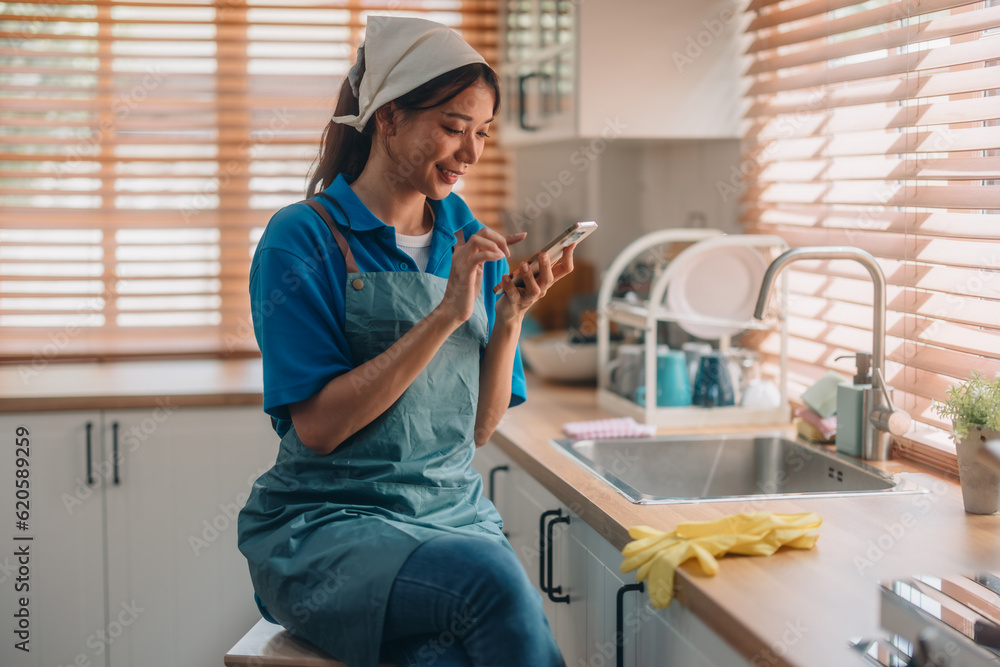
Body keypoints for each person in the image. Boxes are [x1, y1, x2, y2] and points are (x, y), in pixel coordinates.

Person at [237, 15, 575, 667]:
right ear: (388, 117)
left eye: (482, 132)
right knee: (492, 580)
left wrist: (508, 318)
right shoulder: (303, 238)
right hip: (329, 527)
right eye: (453, 126)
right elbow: (319, 428)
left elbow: (478, 428)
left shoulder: (470, 239)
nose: (471, 153)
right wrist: (446, 314)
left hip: (450, 517)